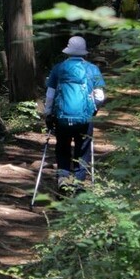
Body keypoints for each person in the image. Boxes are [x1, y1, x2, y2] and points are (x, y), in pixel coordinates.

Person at [44, 35, 106, 187]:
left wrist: (48, 115)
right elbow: (100, 96)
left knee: (62, 147)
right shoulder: (92, 69)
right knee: (83, 149)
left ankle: (63, 179)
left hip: (62, 118)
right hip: (85, 119)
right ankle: (79, 182)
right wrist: (93, 110)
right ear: (84, 51)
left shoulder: (58, 68)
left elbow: (50, 95)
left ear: (68, 51)